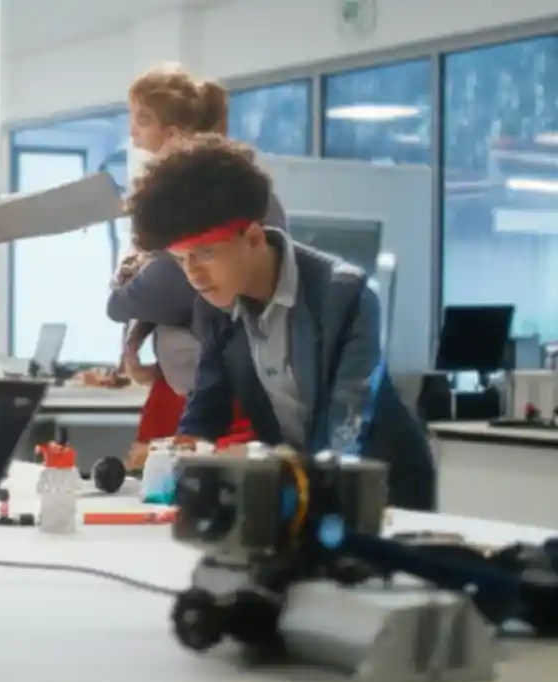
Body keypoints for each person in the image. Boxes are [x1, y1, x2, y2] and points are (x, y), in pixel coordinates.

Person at [128, 133, 435, 510]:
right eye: (180, 260)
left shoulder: (345, 295)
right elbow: (209, 403)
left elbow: (346, 426)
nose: (193, 274)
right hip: (307, 490)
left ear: (254, 238)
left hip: (382, 490)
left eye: (205, 254)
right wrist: (180, 448)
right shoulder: (215, 307)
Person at [105, 63, 288, 466]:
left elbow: (143, 296)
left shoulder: (209, 208)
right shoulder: (215, 293)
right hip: (202, 391)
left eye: (143, 120)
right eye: (181, 257)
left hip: (232, 402)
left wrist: (128, 287)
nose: (133, 133)